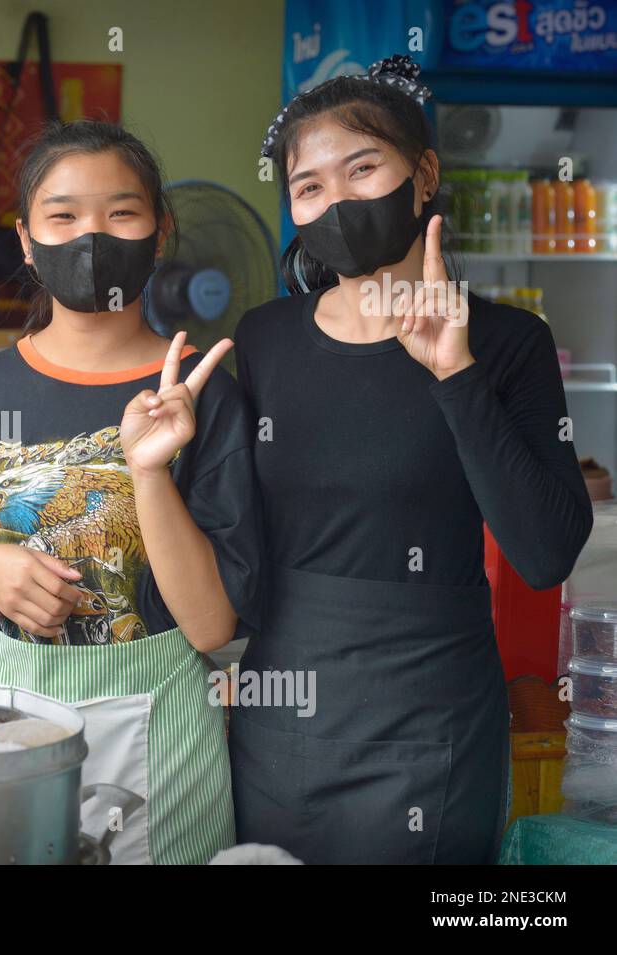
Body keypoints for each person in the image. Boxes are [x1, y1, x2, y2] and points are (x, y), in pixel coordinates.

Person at [228, 55, 593, 863]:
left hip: (436, 716)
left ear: (423, 175)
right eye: (310, 185)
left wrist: (455, 376)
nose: (338, 199)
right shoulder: (262, 341)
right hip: (284, 711)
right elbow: (237, 544)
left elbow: (545, 553)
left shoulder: (505, 344)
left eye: (363, 169)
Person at [0, 120, 262, 864]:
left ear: (161, 233)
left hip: (167, 735)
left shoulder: (202, 399)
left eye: (121, 213)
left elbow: (214, 625)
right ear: (25, 240)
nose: (91, 237)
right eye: (63, 216)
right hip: (0, 721)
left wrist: (149, 471)